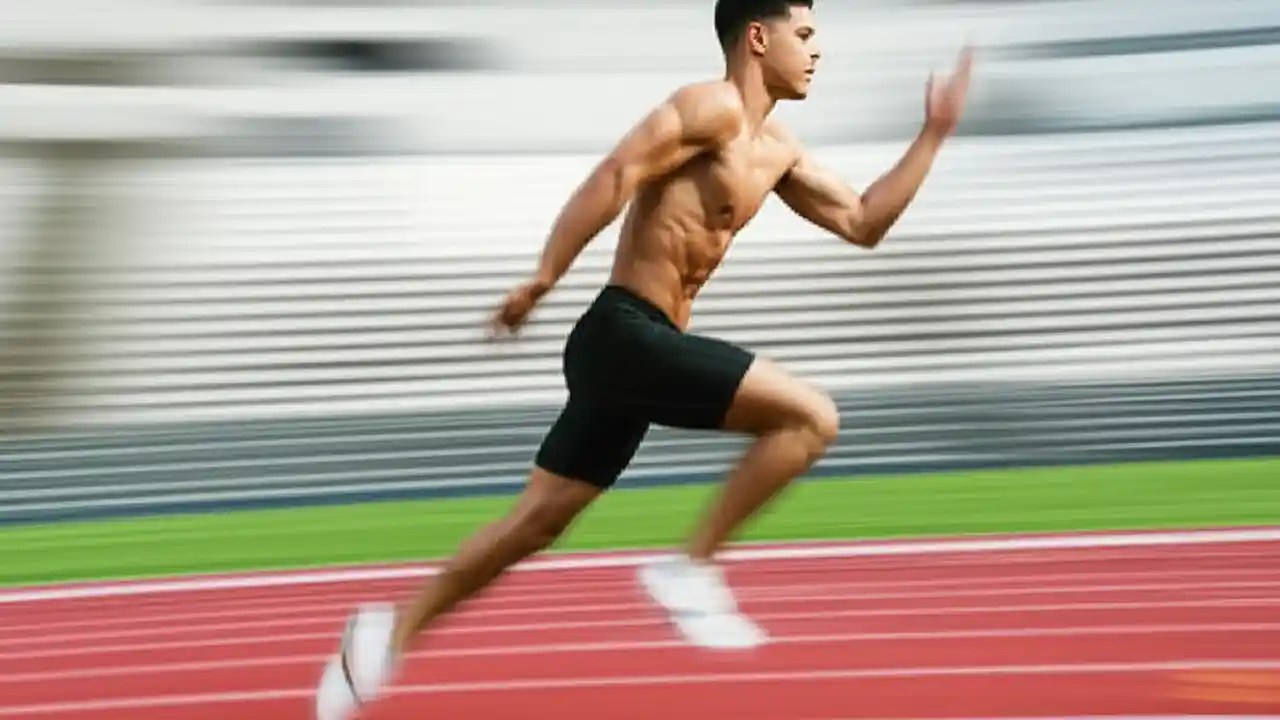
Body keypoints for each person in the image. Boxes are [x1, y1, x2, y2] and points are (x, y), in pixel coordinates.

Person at [315, 0, 973, 716]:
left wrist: (933, 135)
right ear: (758, 37)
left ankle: (387, 632)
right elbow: (616, 174)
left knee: (534, 524)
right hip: (625, 332)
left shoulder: (777, 149)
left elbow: (864, 220)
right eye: (805, 35)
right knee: (810, 419)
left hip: (631, 354)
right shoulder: (709, 108)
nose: (817, 52)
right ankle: (688, 568)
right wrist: (543, 277)